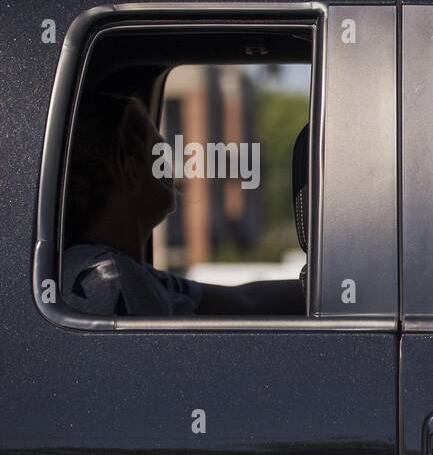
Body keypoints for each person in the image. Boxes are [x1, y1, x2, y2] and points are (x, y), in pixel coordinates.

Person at [61, 93, 303, 316]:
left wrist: (332, 288)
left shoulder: (130, 274)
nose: (172, 163)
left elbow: (246, 300)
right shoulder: (108, 279)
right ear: (130, 171)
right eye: (159, 149)